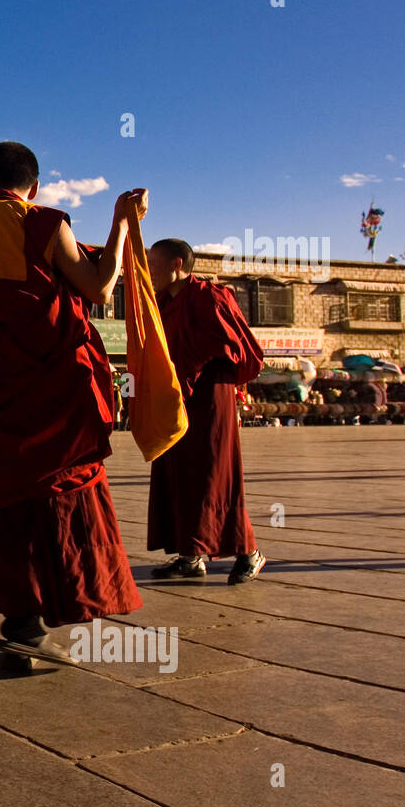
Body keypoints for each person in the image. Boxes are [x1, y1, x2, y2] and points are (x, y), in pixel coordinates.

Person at [0, 141, 145, 665]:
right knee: (56, 499)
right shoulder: (45, 223)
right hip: (50, 400)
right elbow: (100, 287)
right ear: (33, 187)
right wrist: (122, 222)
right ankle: (60, 601)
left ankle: (19, 617)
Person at [145, 239, 265, 583]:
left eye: (154, 265)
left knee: (215, 473)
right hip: (177, 397)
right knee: (178, 472)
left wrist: (189, 371)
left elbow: (228, 346)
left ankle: (248, 551)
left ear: (177, 264)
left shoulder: (210, 296)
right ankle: (191, 556)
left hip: (210, 396)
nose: (149, 272)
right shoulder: (164, 301)